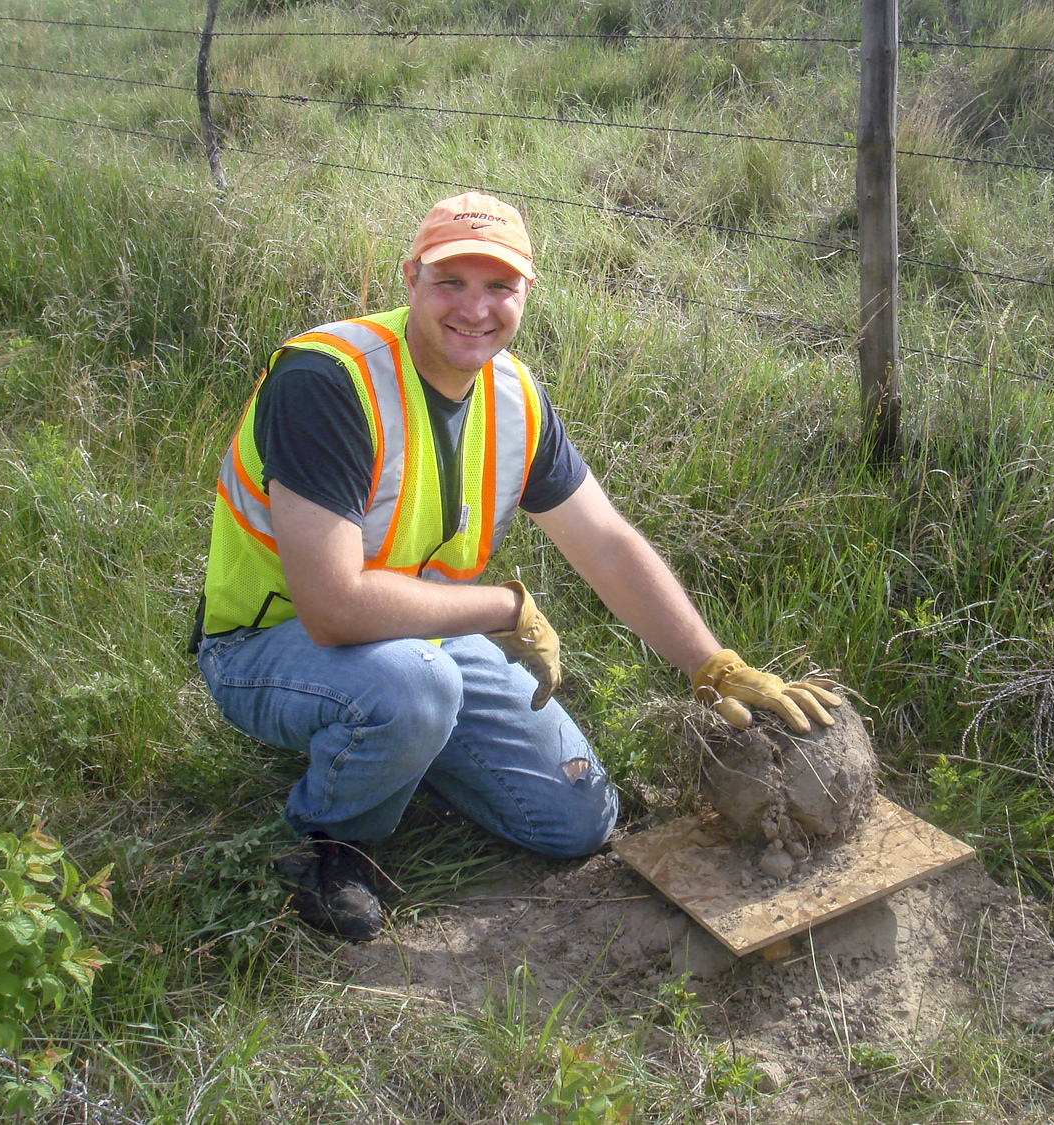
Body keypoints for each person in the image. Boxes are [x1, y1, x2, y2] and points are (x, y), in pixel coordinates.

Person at [192, 192, 841, 941]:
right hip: (269, 645)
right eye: (450, 283)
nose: (475, 309)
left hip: (413, 637)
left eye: (498, 286)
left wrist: (713, 664)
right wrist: (502, 609)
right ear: (409, 280)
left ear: (527, 292)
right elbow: (333, 607)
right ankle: (330, 841)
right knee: (415, 687)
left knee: (576, 817)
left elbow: (606, 543)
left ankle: (402, 745)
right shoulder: (329, 382)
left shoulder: (513, 397)